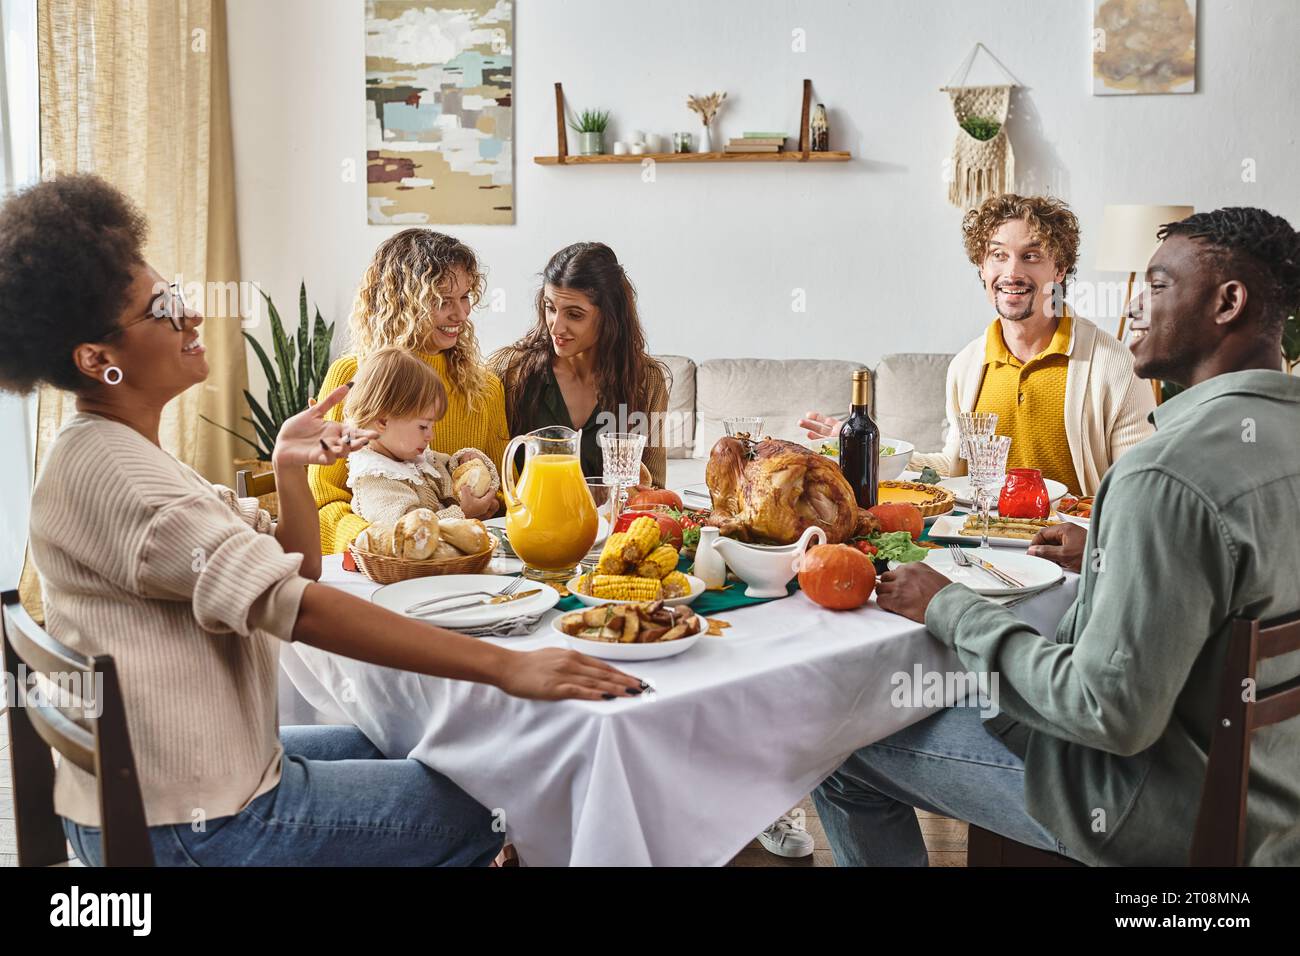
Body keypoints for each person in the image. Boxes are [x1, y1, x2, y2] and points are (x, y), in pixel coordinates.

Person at [0, 175, 644, 867]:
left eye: (178, 297)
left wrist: (287, 470)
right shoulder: (125, 478)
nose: (189, 317)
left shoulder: (122, 452)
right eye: (161, 309)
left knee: (407, 735)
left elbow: (294, 565)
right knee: (488, 807)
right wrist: (505, 668)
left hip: (208, 772)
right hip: (194, 822)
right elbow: (301, 606)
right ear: (98, 360)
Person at [817, 206, 1300, 866]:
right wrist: (1110, 538)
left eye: (1156, 286)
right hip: (1274, 803)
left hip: (1161, 810)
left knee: (832, 742)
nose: (1131, 305)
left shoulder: (1160, 475)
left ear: (1228, 302)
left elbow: (1105, 712)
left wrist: (947, 606)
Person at [802, 194, 1154, 496]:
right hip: (982, 545)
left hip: (1073, 552)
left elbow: (1137, 486)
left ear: (1059, 268)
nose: (1012, 272)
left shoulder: (1113, 364)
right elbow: (952, 467)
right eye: (998, 255)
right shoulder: (967, 366)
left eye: (1031, 256)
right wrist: (869, 449)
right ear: (982, 267)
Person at [310, 229, 510, 553]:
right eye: (443, 301)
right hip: (376, 569)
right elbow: (323, 501)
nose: (460, 313)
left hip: (462, 566)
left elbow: (504, 493)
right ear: (403, 304)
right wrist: (386, 544)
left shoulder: (485, 389)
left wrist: (487, 503)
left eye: (465, 297)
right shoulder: (352, 378)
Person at [488, 242, 669, 487]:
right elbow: (487, 470)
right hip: (529, 523)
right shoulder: (509, 370)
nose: (556, 326)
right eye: (550, 308)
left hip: (611, 525)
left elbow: (655, 488)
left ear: (609, 317)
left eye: (574, 314)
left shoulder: (647, 381)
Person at [344, 348, 499, 528]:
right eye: (423, 426)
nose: (430, 435)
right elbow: (410, 530)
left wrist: (467, 461)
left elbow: (448, 470)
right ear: (382, 421)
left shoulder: (413, 456)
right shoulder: (376, 479)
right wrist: (463, 514)